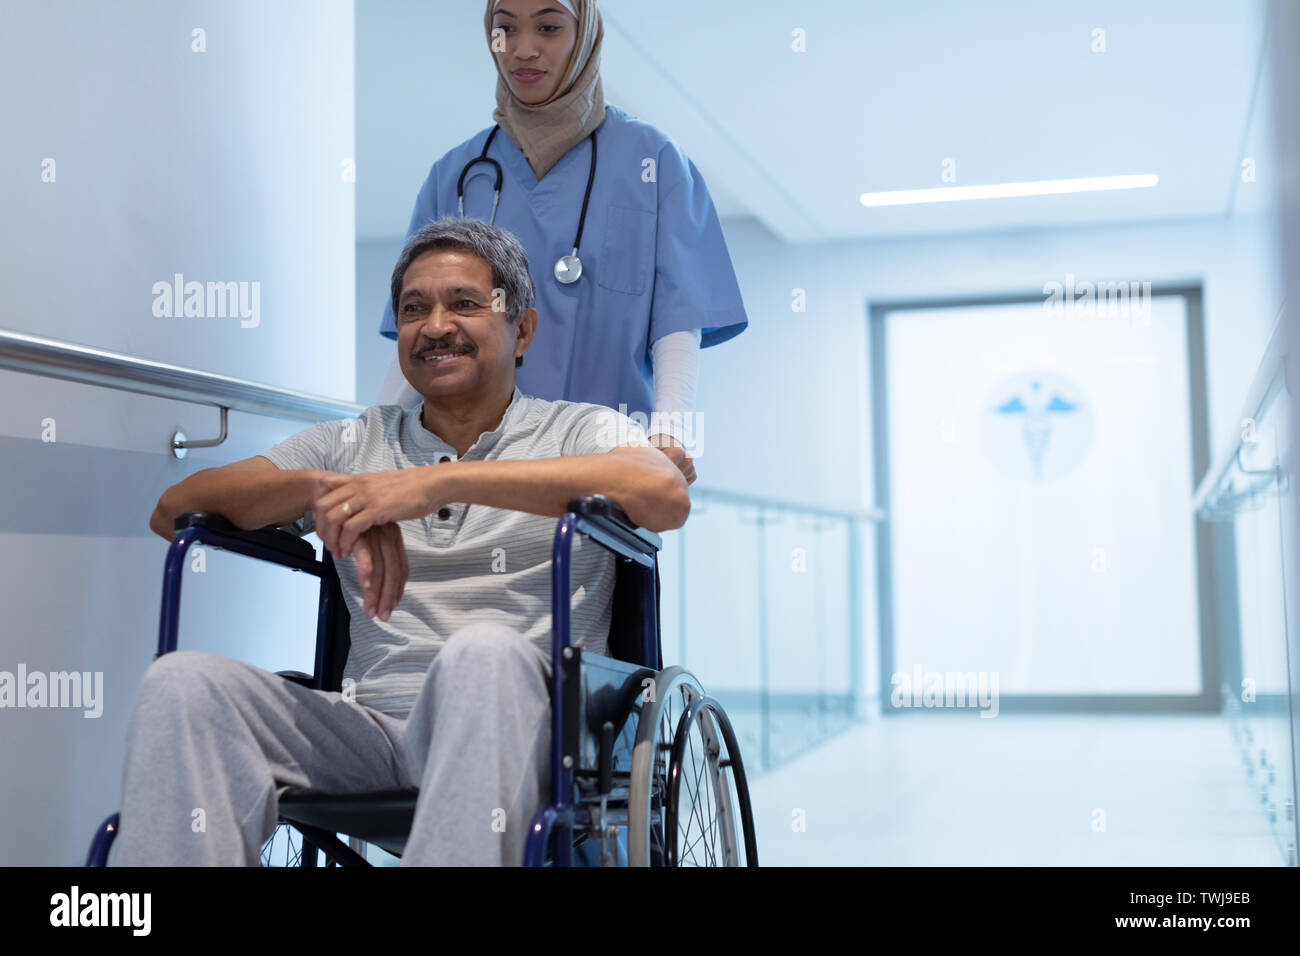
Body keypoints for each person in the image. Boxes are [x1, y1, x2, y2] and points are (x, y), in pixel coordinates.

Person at [111, 217, 688, 866]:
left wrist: (427, 488)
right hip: (373, 728)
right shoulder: (353, 444)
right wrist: (331, 489)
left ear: (521, 330)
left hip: (528, 725)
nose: (435, 325)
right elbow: (175, 509)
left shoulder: (579, 428)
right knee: (183, 683)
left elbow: (663, 493)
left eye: (464, 304)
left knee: (483, 653)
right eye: (414, 309)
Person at [376, 0, 748, 485]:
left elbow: (678, 318)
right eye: (504, 29)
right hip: (467, 463)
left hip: (603, 458)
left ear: (586, 35)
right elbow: (423, 329)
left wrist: (669, 433)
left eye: (549, 27)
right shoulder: (455, 174)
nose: (523, 49)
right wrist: (374, 436)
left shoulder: (652, 161)